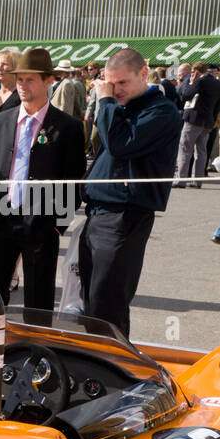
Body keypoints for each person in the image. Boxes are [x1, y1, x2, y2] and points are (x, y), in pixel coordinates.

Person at [0, 48, 86, 313]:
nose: (23, 85)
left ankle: (37, 340)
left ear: (48, 80)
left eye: (30, 79)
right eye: (19, 79)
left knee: (39, 302)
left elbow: (73, 180)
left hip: (41, 223)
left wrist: (57, 225)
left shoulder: (68, 127)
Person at [80, 47, 181, 336]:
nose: (116, 89)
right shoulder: (124, 106)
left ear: (143, 73)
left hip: (125, 215)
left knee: (106, 303)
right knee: (91, 300)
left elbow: (119, 144)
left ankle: (111, 361)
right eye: (111, 83)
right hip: (98, 212)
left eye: (123, 82)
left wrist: (106, 101)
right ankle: (96, 357)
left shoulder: (161, 111)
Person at [174, 60, 220, 188]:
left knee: (185, 148)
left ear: (196, 71)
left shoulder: (199, 81)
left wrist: (190, 82)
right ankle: (197, 180)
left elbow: (185, 95)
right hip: (207, 121)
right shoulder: (218, 84)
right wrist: (212, 121)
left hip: (194, 119)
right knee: (201, 151)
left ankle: (181, 180)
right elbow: (218, 105)